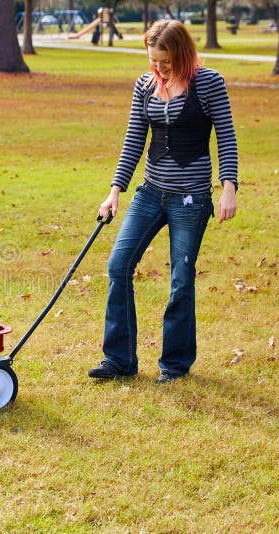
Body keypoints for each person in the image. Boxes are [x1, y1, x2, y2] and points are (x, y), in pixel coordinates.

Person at [88, 19, 238, 383]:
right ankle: (119, 360)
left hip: (191, 197)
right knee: (118, 266)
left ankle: (174, 364)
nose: (159, 68)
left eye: (166, 62)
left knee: (181, 278)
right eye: (154, 60)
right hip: (151, 192)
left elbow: (227, 136)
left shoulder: (208, 82)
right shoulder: (145, 85)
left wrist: (229, 186)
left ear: (182, 54)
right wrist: (114, 191)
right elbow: (133, 140)